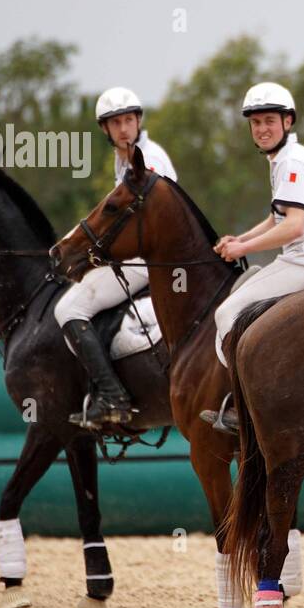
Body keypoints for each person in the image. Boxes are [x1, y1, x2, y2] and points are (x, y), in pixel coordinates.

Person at [200, 82, 304, 435]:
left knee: (227, 313)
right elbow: (278, 217)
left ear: (288, 122)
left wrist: (242, 251)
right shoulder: (283, 159)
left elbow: (294, 227)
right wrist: (242, 237)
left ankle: (244, 407)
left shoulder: (292, 162)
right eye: (256, 123)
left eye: (269, 120)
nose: (262, 129)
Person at [53, 87, 177, 428]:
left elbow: (155, 224)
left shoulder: (147, 160)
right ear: (105, 130)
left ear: (138, 121)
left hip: (150, 261)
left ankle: (112, 397)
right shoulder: (124, 159)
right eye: (115, 123)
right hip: (139, 257)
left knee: (68, 308)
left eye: (128, 120)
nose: (123, 128)